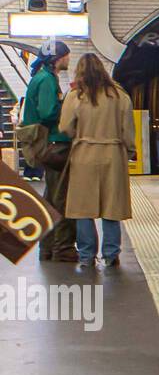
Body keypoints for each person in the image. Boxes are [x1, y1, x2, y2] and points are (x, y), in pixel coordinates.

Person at [58, 54, 137, 273]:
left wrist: (80, 134)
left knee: (83, 208)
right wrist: (130, 151)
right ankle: (111, 255)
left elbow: (65, 127)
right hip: (113, 154)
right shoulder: (119, 96)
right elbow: (128, 130)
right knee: (111, 207)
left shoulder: (75, 96)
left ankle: (86, 255)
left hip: (84, 155)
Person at [20, 39, 76, 260]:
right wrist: (67, 107)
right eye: (66, 55)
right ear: (57, 59)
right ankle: (62, 248)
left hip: (47, 144)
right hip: (54, 144)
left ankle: (48, 247)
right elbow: (47, 112)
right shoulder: (46, 80)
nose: (69, 59)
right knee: (62, 197)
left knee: (52, 196)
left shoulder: (42, 77)